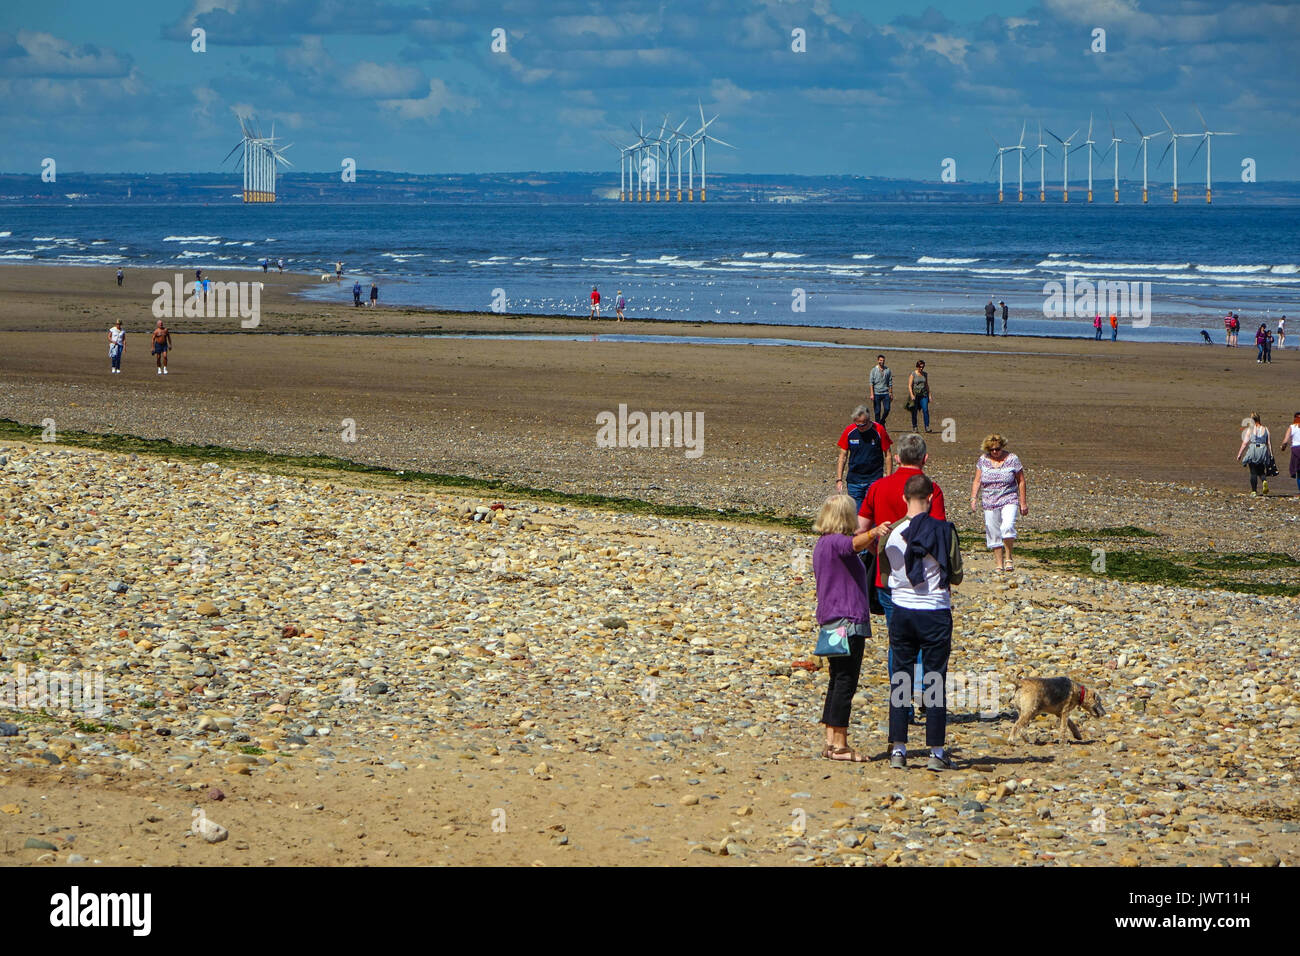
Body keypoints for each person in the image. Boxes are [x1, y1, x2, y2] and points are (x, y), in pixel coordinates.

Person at [859, 432, 946, 723]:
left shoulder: (878, 487)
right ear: (925, 458)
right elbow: (939, 534)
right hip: (925, 581)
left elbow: (862, 529)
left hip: (889, 578)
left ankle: (904, 704)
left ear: (896, 458)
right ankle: (923, 695)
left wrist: (877, 546)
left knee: (899, 643)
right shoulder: (931, 490)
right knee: (926, 642)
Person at [883, 474, 959, 771]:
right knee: (935, 678)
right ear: (930, 498)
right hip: (935, 611)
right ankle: (936, 752)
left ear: (904, 498)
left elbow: (887, 573)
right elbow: (957, 574)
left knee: (900, 676)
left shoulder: (892, 532)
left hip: (902, 610)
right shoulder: (944, 531)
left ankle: (899, 749)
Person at [812, 494, 893, 762]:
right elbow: (852, 544)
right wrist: (874, 531)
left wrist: (868, 538)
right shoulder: (836, 543)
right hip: (846, 621)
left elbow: (853, 546)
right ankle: (840, 745)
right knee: (845, 682)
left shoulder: (823, 544)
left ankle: (831, 741)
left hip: (831, 618)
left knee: (837, 680)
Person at [971, 434, 1027, 572]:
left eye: (998, 449)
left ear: (1002, 447)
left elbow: (1021, 481)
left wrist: (1023, 502)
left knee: (1007, 526)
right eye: (992, 450)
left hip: (1009, 498)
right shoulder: (983, 460)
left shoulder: (1012, 459)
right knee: (993, 531)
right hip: (989, 501)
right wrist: (973, 498)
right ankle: (999, 563)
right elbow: (977, 480)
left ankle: (1008, 558)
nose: (995, 452)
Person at [835, 405, 892, 512]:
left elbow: (888, 454)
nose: (860, 427)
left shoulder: (879, 430)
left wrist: (888, 479)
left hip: (874, 479)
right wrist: (839, 479)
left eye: (863, 425)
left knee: (872, 512)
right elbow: (843, 455)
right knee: (856, 515)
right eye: (858, 425)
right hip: (854, 480)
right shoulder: (849, 431)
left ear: (868, 420)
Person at [1237, 413, 1273, 496]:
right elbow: (1269, 443)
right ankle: (1264, 481)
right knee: (1261, 470)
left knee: (1253, 472)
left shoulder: (1250, 429)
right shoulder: (1266, 429)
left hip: (1253, 449)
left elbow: (1245, 443)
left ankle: (1254, 491)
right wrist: (1270, 454)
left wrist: (1239, 454)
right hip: (1263, 450)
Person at [907, 360, 932, 432]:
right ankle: (915, 427)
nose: (921, 368)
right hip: (915, 395)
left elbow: (926, 385)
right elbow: (909, 385)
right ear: (917, 366)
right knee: (914, 411)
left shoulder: (925, 374)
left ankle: (927, 427)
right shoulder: (913, 374)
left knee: (925, 410)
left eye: (922, 367)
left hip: (923, 395)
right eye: (920, 367)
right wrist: (911, 395)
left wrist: (929, 395)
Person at [869, 355, 893, 425]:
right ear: (878, 360)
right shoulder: (873, 370)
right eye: (880, 360)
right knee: (877, 411)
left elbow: (890, 382)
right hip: (876, 393)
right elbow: (871, 383)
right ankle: (877, 425)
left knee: (887, 409)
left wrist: (891, 393)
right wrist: (872, 394)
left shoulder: (887, 370)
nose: (882, 362)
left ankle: (882, 421)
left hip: (885, 393)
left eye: (883, 360)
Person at [1281, 412, 1300, 495]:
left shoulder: (1292, 427)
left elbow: (1285, 440)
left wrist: (1283, 447)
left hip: (1296, 450)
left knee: (1299, 472)